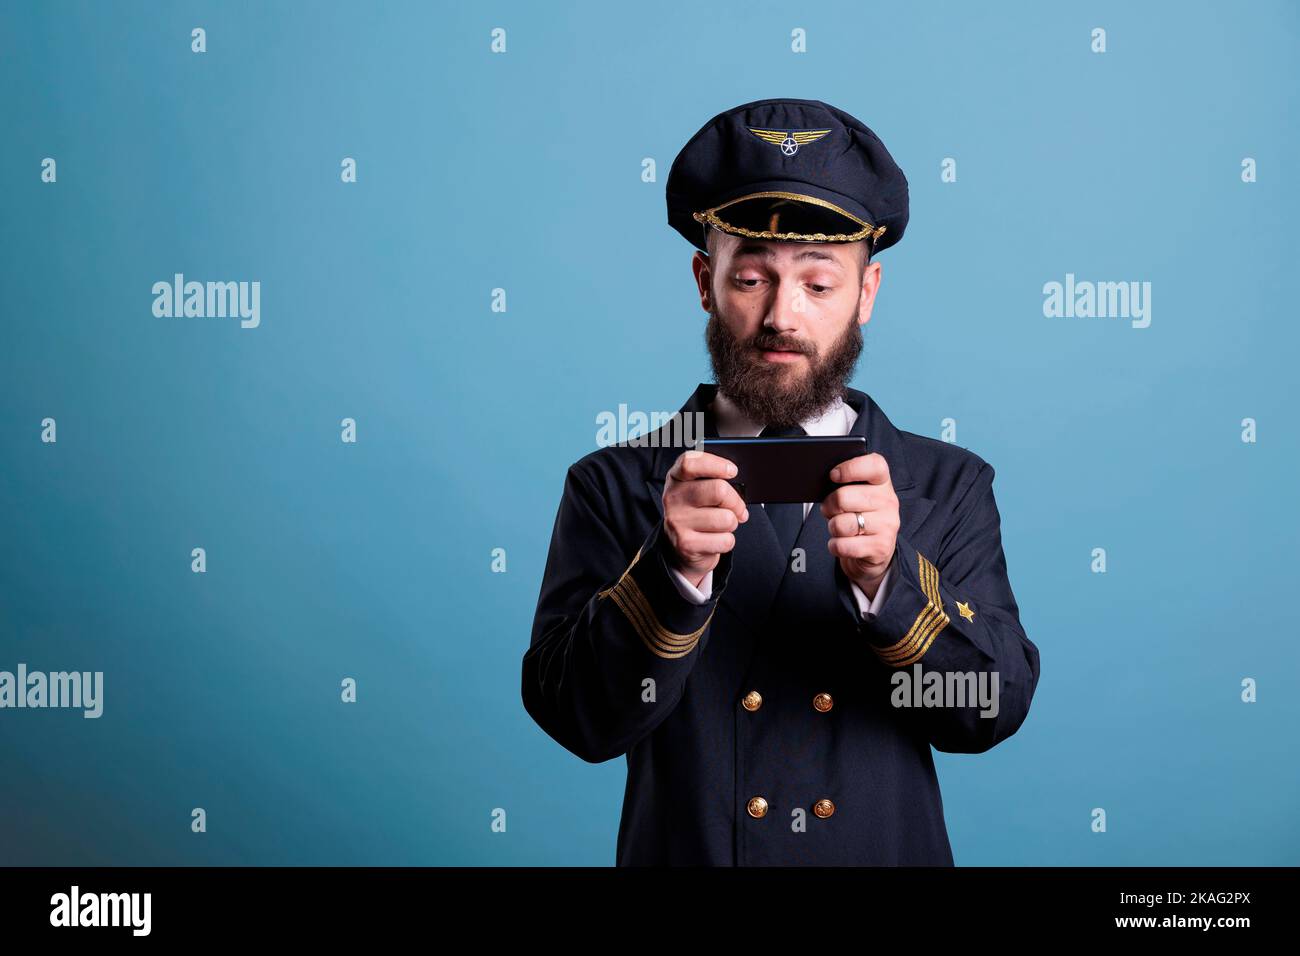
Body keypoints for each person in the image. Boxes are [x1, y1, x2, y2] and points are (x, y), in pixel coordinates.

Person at [521, 98, 1041, 865]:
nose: (781, 317)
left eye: (818, 284)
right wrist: (672, 573)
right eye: (751, 278)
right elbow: (578, 721)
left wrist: (889, 583)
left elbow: (989, 711)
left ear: (866, 294)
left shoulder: (949, 485)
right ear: (705, 281)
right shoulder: (613, 484)